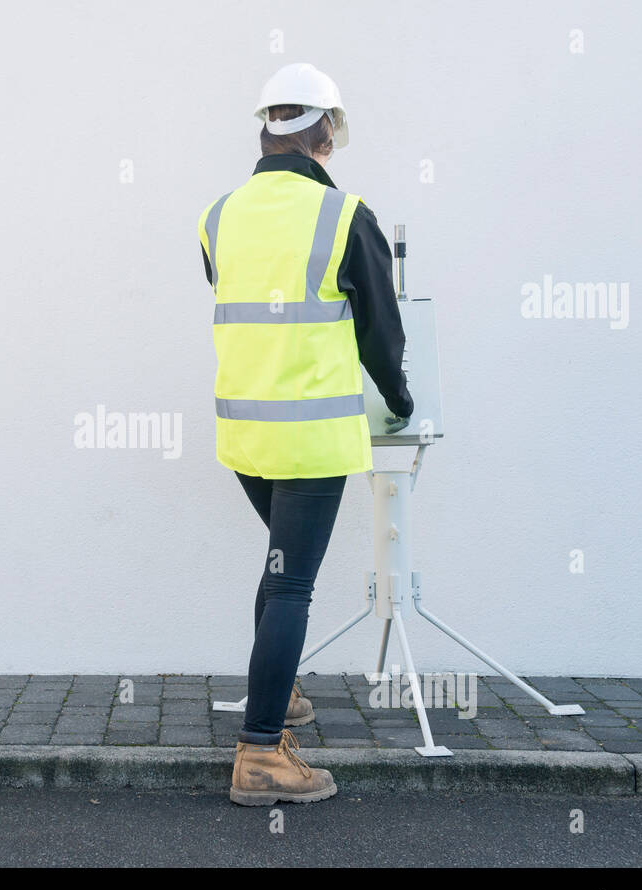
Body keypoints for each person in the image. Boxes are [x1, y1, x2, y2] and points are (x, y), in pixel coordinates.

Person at [197, 63, 415, 806]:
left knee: (280, 563)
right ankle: (260, 754)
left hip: (247, 436)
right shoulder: (346, 215)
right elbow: (383, 334)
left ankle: (279, 695)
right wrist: (401, 398)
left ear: (266, 131)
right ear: (327, 132)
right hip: (313, 438)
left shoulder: (218, 215)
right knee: (292, 580)